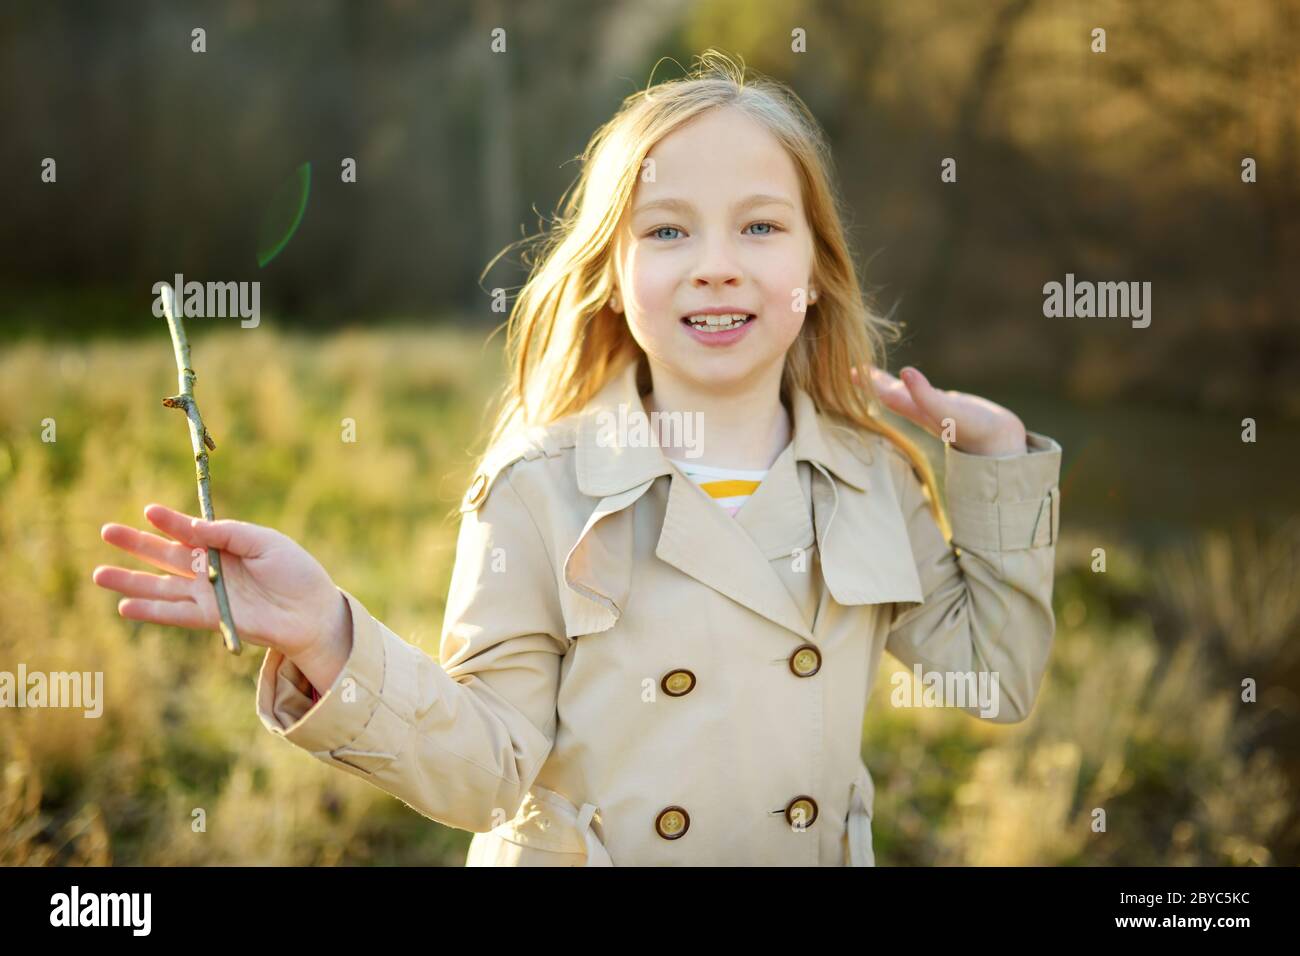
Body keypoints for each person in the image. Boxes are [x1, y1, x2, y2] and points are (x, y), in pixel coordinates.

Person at [93, 51, 1062, 865]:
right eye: (668, 229)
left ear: (814, 270)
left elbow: (997, 677)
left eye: (760, 225)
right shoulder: (540, 486)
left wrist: (999, 464)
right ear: (611, 273)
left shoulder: (870, 474)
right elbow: (486, 771)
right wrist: (330, 638)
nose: (716, 262)